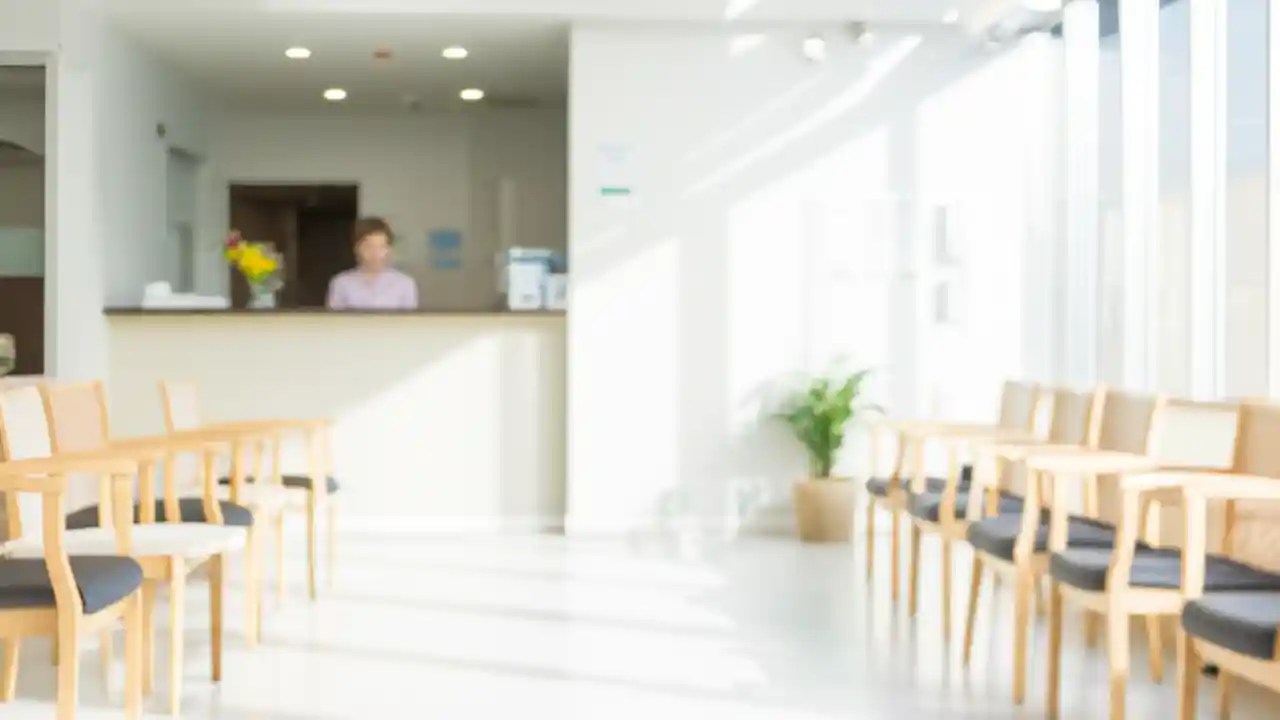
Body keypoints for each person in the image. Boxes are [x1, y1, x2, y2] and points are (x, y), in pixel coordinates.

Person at [326, 217, 419, 311]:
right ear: (356, 248)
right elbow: (335, 323)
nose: (375, 253)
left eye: (381, 247)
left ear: (389, 249)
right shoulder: (341, 283)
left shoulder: (405, 283)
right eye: (369, 246)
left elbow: (409, 323)